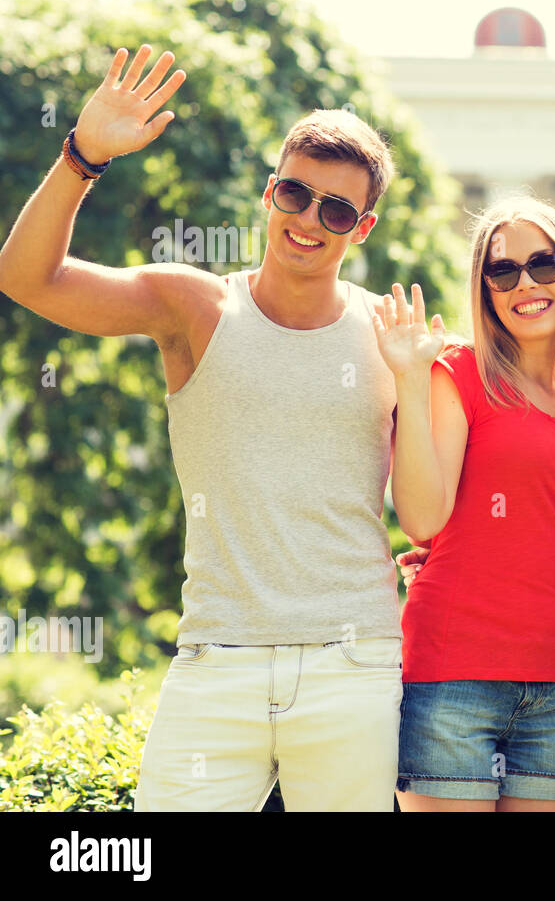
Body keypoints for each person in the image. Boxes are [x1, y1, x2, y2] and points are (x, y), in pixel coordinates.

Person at [0, 46, 405, 811]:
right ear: (268, 193)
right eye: (296, 193)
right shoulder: (195, 307)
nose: (310, 220)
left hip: (355, 663)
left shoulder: (392, 334)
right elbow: (25, 277)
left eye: (338, 210)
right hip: (217, 661)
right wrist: (84, 156)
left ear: (363, 226)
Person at [377, 197, 555, 811]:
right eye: (502, 271)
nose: (525, 284)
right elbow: (424, 519)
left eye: (544, 264)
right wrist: (407, 375)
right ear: (485, 290)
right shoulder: (458, 371)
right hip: (454, 678)